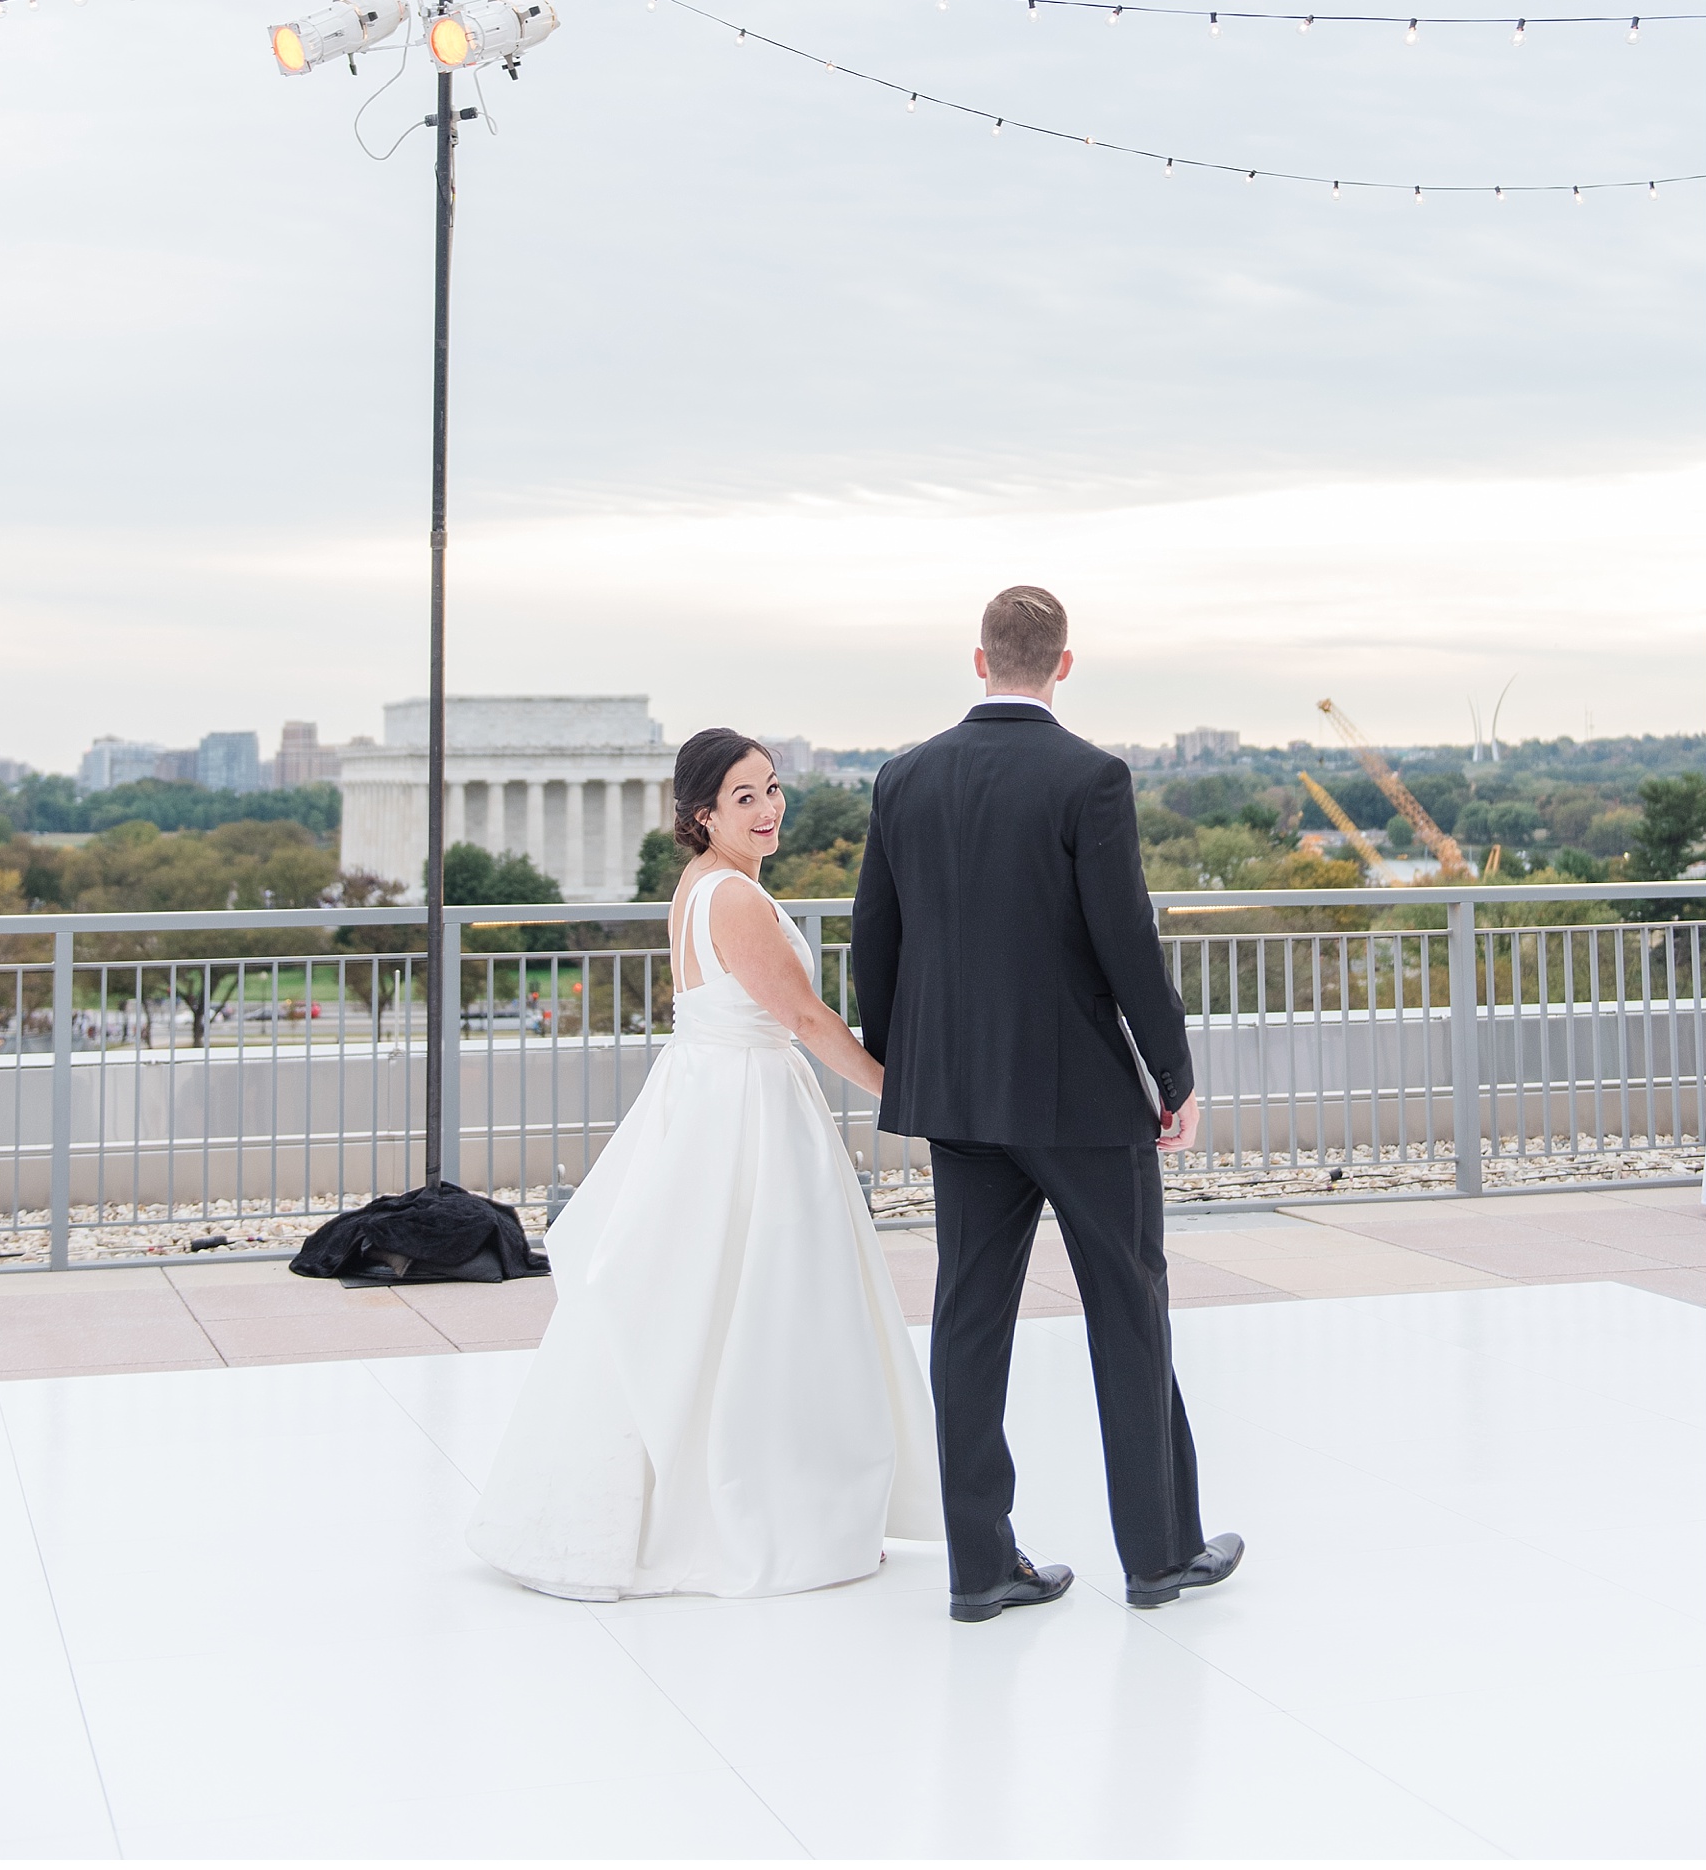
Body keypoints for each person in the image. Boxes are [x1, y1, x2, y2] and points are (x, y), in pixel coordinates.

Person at [467, 728, 942, 1599]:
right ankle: (774, 1514)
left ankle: (739, 1499)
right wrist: (902, 1097)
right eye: (744, 798)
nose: (768, 811)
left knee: (714, 1305)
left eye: (771, 789)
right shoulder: (734, 899)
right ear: (701, 814)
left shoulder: (694, 887)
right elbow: (802, 1018)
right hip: (749, 1111)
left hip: (711, 1097)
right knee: (774, 1306)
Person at [852, 585, 1244, 1622]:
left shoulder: (903, 778)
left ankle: (980, 1566)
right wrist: (1175, 1075)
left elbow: (873, 945)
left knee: (968, 1320)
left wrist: (912, 1063)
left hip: (959, 1099)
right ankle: (1159, 1553)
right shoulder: (1091, 777)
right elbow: (1128, 943)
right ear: (1064, 664)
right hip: (1078, 1098)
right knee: (1129, 1309)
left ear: (977, 659)